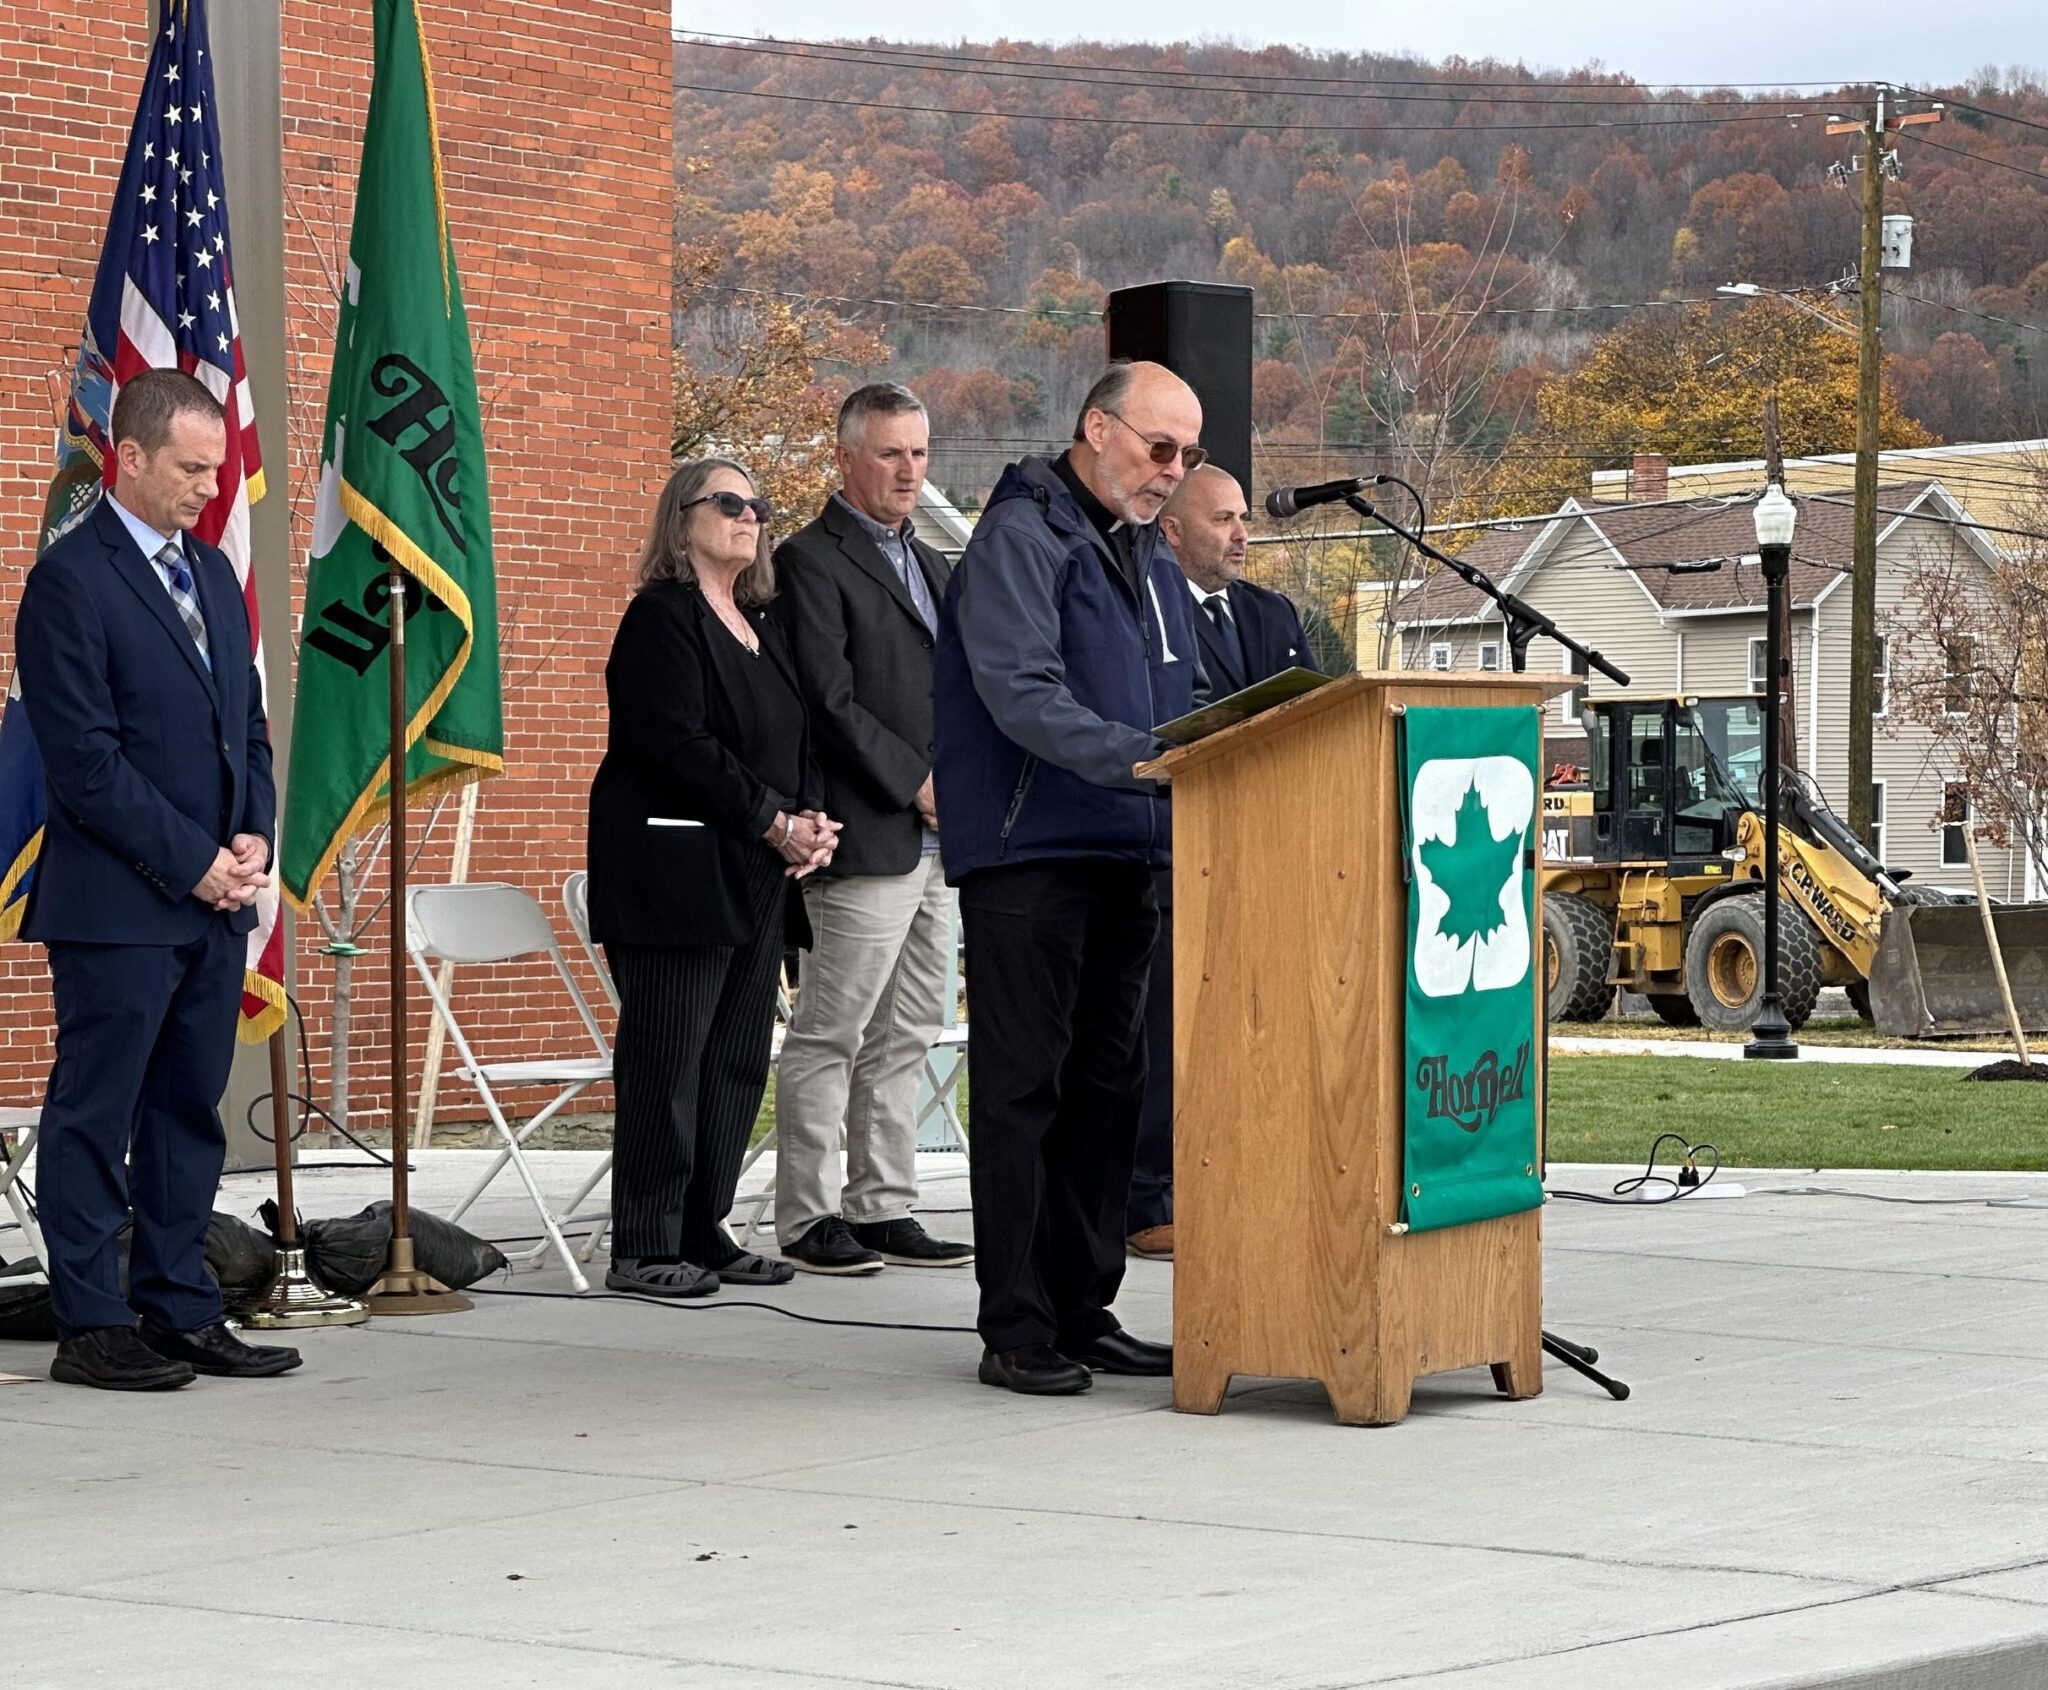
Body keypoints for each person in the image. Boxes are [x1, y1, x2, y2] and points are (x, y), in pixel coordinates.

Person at [15, 367, 292, 1390]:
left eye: (217, 469)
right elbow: (84, 762)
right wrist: (195, 864)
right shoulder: (70, 582)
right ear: (128, 457)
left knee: (186, 1110)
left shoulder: (215, 574)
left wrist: (253, 835)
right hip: (121, 905)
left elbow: (246, 728)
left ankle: (181, 1306)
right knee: (98, 1111)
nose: (207, 488)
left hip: (216, 901)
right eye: (189, 467)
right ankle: (92, 1322)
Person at [932, 359, 1204, 1396]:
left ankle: (1084, 1308)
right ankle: (1016, 1323)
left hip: (1127, 851)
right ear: (1096, 428)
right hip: (1030, 856)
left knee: (1105, 1093)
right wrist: (1146, 762)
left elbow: (1181, 696)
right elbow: (1020, 693)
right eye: (1156, 447)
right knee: (1025, 1093)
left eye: (1186, 453)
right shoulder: (1019, 537)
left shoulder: (1143, 553)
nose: (1171, 471)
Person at [586, 458, 840, 1298]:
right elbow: (678, 744)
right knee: (668, 1058)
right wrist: (774, 819)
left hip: (755, 874)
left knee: (734, 1060)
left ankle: (704, 1228)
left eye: (758, 506)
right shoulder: (661, 617)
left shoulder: (758, 624)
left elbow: (793, 738)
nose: (748, 516)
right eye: (727, 503)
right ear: (681, 516)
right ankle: (645, 1242)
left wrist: (810, 822)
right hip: (675, 871)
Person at [771, 385, 973, 1276]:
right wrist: (918, 783)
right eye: (892, 453)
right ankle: (808, 1219)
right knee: (830, 1034)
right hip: (867, 837)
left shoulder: (936, 563)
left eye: (920, 454)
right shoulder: (807, 561)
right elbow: (829, 699)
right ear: (847, 458)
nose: (909, 471)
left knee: (913, 1032)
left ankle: (883, 1206)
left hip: (943, 843)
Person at [1125, 464, 1325, 1260]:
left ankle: (1241, 1179)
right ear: (1172, 530)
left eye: (1245, 518)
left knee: (1257, 1034)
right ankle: (1147, 1197)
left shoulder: (1272, 612)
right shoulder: (1149, 611)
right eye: (1222, 520)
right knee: (1169, 1035)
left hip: (1270, 854)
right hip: (1181, 853)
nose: (1243, 534)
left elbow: (1314, 714)